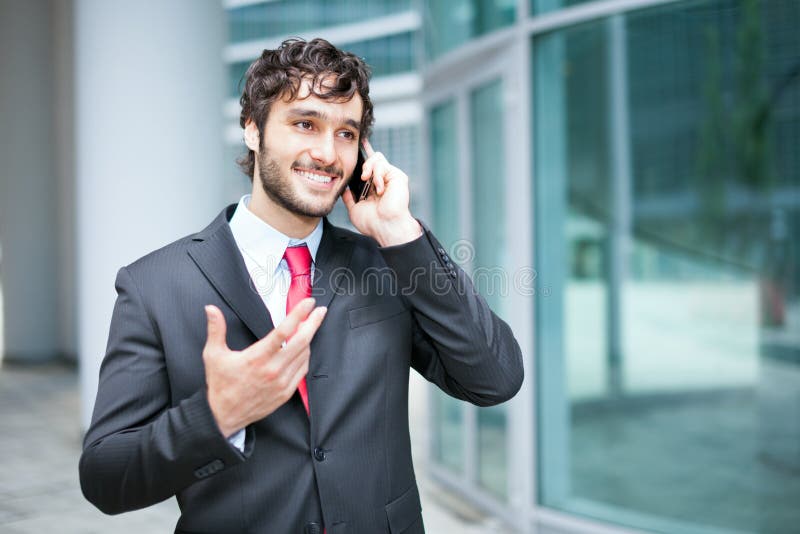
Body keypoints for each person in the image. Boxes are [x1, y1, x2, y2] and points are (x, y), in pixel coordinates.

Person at [79, 37, 523, 534]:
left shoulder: (386, 262)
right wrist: (216, 415)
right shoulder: (154, 286)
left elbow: (495, 378)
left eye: (347, 134)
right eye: (305, 123)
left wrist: (399, 232)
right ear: (253, 129)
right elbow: (106, 478)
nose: (327, 153)